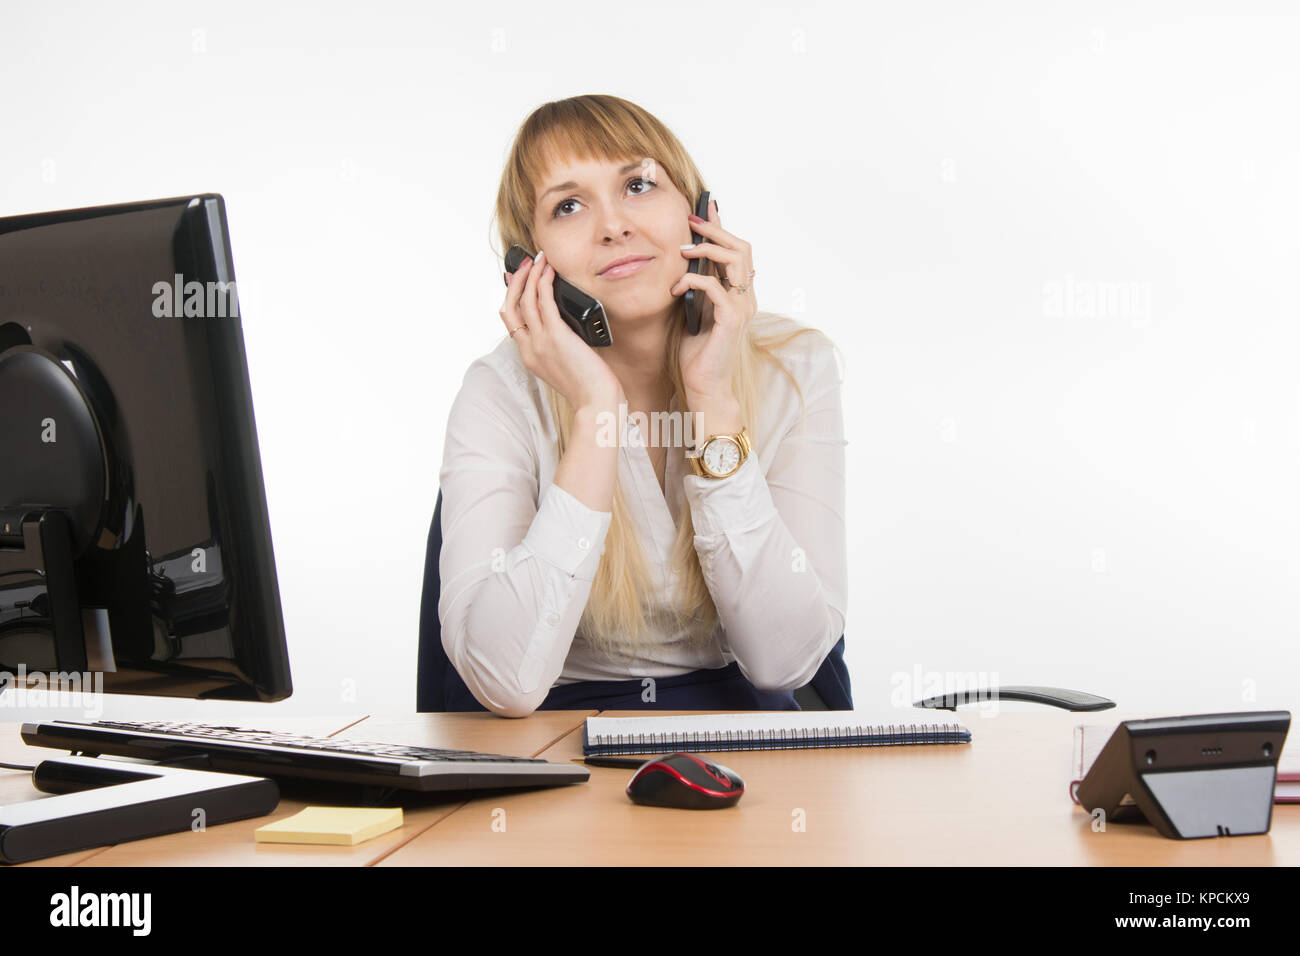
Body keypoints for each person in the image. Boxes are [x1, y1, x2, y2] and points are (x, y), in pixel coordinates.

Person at [437, 94, 847, 717]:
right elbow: (505, 684)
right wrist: (597, 412)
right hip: (559, 748)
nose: (612, 225)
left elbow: (784, 661)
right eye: (568, 205)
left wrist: (713, 398)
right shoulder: (499, 393)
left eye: (637, 184)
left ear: (701, 214)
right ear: (528, 264)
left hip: (749, 749)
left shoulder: (795, 368)